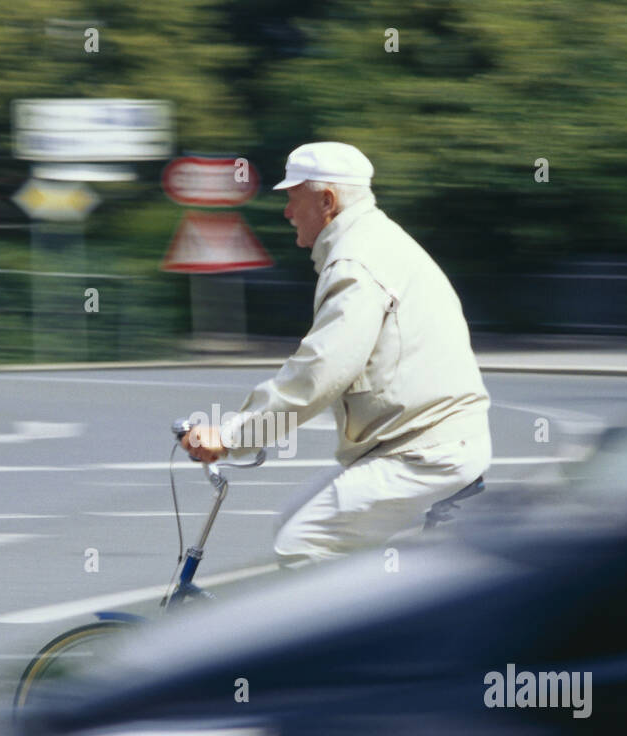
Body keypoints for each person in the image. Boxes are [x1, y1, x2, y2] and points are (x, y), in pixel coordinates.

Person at [182, 141, 492, 568]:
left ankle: (361, 635)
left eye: (293, 197)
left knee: (302, 542)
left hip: (425, 452)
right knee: (294, 521)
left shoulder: (355, 263)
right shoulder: (372, 242)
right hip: (420, 443)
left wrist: (232, 435)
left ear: (326, 201)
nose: (286, 211)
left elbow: (320, 373)